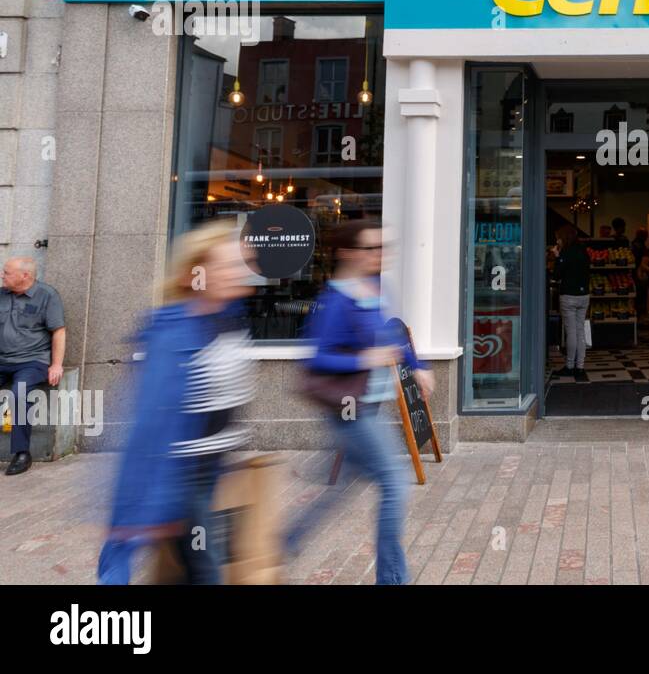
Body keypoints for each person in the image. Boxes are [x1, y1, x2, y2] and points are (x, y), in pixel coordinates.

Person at [98, 220, 253, 584]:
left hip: (209, 470)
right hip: (179, 473)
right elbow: (149, 422)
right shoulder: (174, 333)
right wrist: (143, 505)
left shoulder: (228, 320)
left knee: (191, 566)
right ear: (193, 274)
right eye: (228, 265)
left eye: (241, 263)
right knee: (206, 568)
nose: (238, 272)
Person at [285, 219, 431, 585]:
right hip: (352, 412)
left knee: (337, 489)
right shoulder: (335, 301)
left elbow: (391, 336)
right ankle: (392, 579)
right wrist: (362, 360)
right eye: (371, 249)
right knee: (395, 483)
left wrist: (418, 367)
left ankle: (281, 543)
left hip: (368, 405)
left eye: (383, 248)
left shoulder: (374, 288)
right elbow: (316, 358)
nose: (379, 255)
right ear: (347, 253)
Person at [1, 257, 67, 476]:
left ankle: (21, 453)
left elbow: (58, 331)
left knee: (19, 391)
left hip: (32, 361)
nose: (2, 275)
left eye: (7, 272)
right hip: (2, 359)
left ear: (25, 275)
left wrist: (56, 364)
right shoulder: (1, 295)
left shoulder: (47, 295)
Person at [553, 224, 591, 381]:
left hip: (569, 295)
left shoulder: (565, 252)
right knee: (580, 330)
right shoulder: (583, 251)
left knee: (571, 332)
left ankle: (569, 366)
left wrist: (557, 256)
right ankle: (580, 367)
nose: (557, 241)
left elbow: (557, 275)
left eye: (558, 238)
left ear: (563, 238)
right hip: (584, 295)